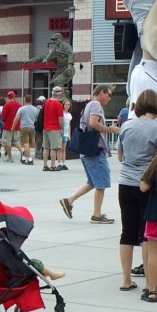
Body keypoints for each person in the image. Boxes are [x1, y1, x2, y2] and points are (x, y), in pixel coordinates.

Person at [117, 90, 157, 290]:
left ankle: (126, 280)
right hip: (146, 185)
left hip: (125, 183)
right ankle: (149, 284)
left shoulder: (126, 126)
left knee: (127, 232)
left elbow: (120, 156)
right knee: (146, 235)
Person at [59, 84, 117, 224]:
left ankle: (69, 201)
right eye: (108, 95)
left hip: (87, 151)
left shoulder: (89, 104)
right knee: (101, 184)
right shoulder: (96, 105)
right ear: (101, 92)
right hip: (95, 151)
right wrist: (110, 129)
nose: (110, 98)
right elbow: (93, 123)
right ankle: (97, 215)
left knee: (92, 182)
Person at [139, 146, 157, 302]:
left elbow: (143, 187)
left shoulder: (156, 162)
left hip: (156, 214)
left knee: (153, 252)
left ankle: (152, 290)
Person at [41, 85, 65, 171]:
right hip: (54, 128)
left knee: (46, 147)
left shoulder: (46, 102)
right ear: (59, 94)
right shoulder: (58, 104)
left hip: (45, 127)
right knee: (54, 148)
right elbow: (60, 118)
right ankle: (53, 166)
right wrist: (62, 128)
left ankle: (45, 165)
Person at [11, 95, 38, 164]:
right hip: (32, 127)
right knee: (29, 144)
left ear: (25, 100)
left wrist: (13, 127)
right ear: (31, 100)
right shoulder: (35, 109)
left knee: (25, 144)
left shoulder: (21, 109)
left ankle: (29, 159)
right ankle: (24, 157)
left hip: (24, 127)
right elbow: (37, 118)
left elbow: (16, 118)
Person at [0, 90, 21, 162]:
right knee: (15, 141)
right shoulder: (19, 105)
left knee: (7, 141)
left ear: (8, 97)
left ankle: (9, 157)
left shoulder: (6, 105)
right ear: (14, 96)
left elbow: (3, 117)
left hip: (8, 126)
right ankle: (22, 152)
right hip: (16, 126)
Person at [59, 98, 72, 169]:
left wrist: (69, 134)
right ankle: (59, 163)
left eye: (68, 105)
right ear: (63, 105)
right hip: (61, 132)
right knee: (60, 148)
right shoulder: (61, 113)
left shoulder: (69, 115)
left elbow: (69, 125)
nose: (67, 106)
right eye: (66, 104)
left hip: (66, 133)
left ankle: (63, 163)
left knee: (64, 149)